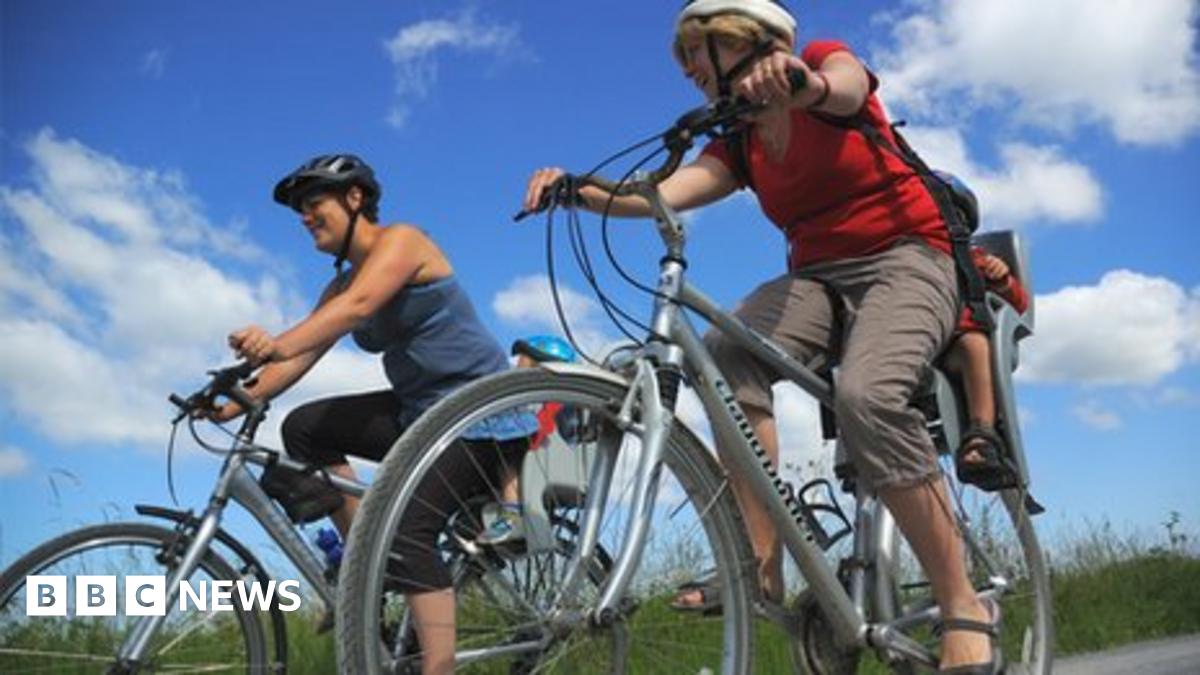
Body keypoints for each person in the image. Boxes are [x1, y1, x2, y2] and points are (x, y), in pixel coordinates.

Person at [522, 2, 1000, 672]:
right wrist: (580, 191)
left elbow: (846, 86)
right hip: (820, 279)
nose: (686, 69)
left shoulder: (819, 66)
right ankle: (760, 563)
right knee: (726, 350)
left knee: (867, 395)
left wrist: (800, 81)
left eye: (694, 52)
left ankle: (963, 602)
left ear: (739, 39)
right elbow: (662, 191)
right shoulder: (740, 138)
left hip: (907, 254)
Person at [211, 153, 531, 675]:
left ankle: (438, 666)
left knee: (407, 534)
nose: (305, 217)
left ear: (355, 198)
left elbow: (359, 307)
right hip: (421, 415)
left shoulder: (403, 242)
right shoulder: (336, 286)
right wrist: (232, 402)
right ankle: (368, 562)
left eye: (314, 203)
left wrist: (272, 343)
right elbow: (301, 355)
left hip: (478, 414)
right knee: (304, 429)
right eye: (300, 210)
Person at [476, 335, 579, 546]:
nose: (518, 363)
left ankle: (512, 514)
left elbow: (542, 429)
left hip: (541, 454)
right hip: (544, 455)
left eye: (525, 359)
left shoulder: (548, 399)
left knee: (507, 449)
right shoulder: (551, 399)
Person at [945, 247, 1029, 490]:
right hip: (915, 346)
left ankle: (982, 432)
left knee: (974, 345)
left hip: (954, 348)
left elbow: (1018, 304)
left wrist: (1001, 279)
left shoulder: (969, 258)